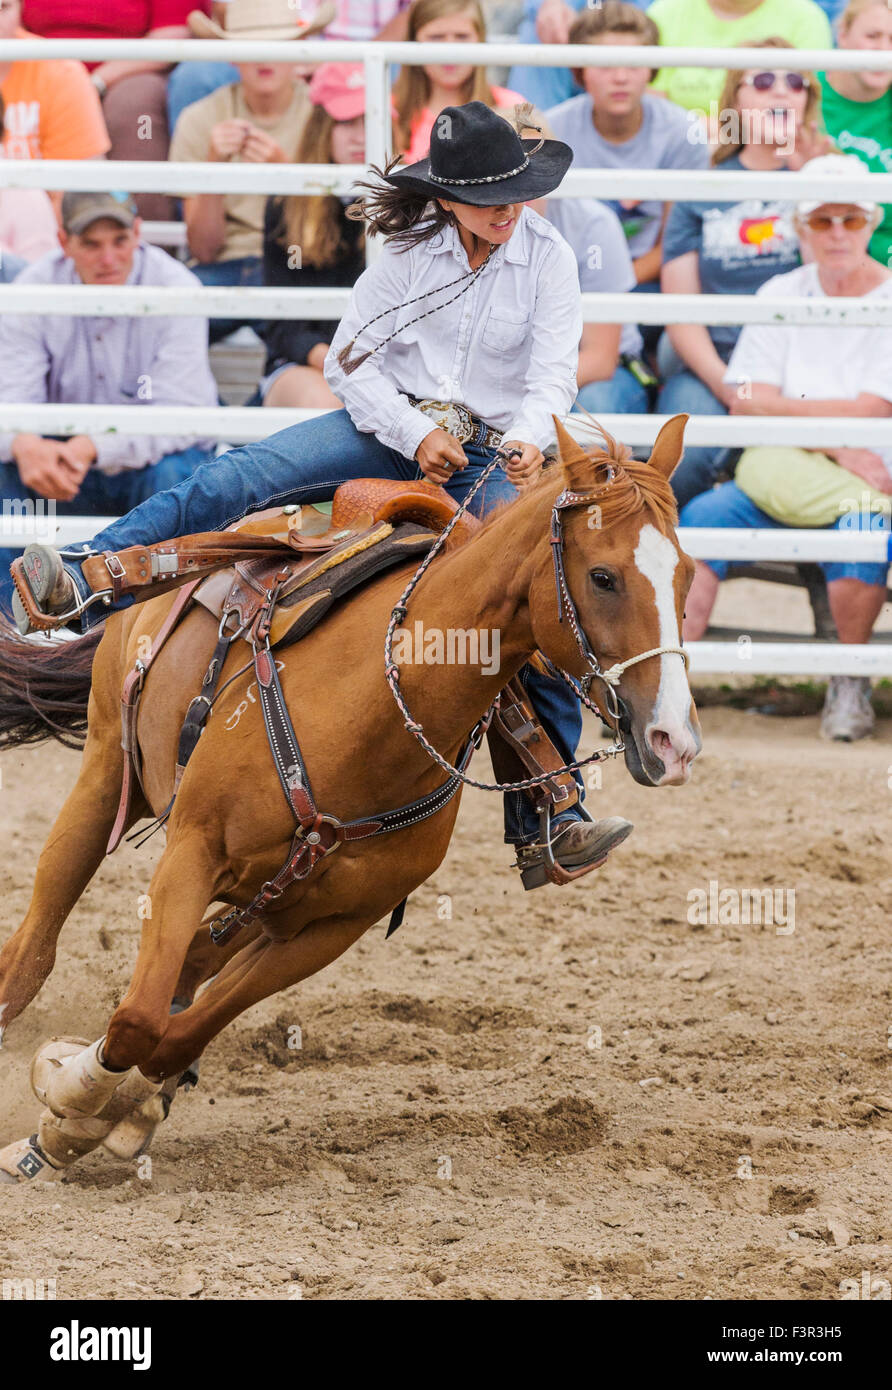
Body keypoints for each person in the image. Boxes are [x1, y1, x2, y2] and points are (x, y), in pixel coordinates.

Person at [11, 102, 634, 888]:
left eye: (513, 193)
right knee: (239, 476)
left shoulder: (547, 256)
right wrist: (414, 436)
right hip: (390, 425)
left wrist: (528, 439)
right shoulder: (406, 252)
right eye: (487, 197)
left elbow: (555, 374)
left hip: (492, 445)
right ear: (447, 198)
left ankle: (550, 815)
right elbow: (351, 364)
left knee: (529, 604)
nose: (506, 211)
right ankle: (86, 572)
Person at [680, 156, 892, 742]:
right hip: (809, 468)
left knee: (864, 533)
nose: (839, 233)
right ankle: (671, 685)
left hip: (846, 473)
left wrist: (796, 417)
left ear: (871, 224)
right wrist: (838, 445)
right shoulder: (781, 290)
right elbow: (745, 397)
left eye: (851, 219)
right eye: (823, 222)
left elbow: (876, 411)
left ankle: (850, 678)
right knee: (699, 525)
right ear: (802, 230)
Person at [0, 191, 218, 607]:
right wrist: (24, 445)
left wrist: (89, 446)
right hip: (62, 467)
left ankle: (150, 625)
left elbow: (183, 411)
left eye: (119, 240)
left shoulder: (175, 287)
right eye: (91, 244)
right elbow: (12, 395)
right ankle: (16, 626)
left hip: (129, 464)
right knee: (8, 475)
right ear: (64, 242)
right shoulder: (34, 287)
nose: (108, 258)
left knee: (178, 475)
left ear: (138, 233)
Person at [657, 40, 827, 507]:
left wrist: (814, 186)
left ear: (807, 102)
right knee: (682, 460)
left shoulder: (826, 184)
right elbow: (681, 310)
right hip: (716, 360)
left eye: (795, 83)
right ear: (735, 100)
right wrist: (729, 385)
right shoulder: (701, 187)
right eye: (764, 81)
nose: (781, 93)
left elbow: (828, 286)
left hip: (803, 365)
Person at [546, 2, 709, 296]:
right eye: (606, 65)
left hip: (648, 282)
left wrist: (611, 284)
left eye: (633, 64)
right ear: (581, 71)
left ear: (651, 71)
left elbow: (674, 243)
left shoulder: (681, 131)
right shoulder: (553, 129)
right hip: (568, 280)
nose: (620, 77)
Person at [169, 14, 315, 341]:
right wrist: (214, 172)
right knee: (162, 332)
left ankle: (266, 392)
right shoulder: (200, 117)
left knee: (316, 342)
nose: (264, 57)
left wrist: (289, 178)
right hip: (224, 266)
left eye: (277, 45)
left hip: (297, 266)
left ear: (299, 51)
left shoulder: (324, 116)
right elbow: (205, 249)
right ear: (233, 54)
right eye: (253, 45)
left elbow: (324, 240)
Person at [20, 0, 205, 223]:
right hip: (40, 73)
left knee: (138, 116)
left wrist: (95, 82)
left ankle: (141, 237)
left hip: (129, 76)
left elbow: (172, 33)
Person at [260, 62, 367, 411]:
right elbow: (281, 323)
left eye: (371, 120)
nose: (362, 136)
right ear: (322, 128)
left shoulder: (413, 205)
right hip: (307, 364)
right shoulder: (289, 204)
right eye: (347, 121)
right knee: (333, 408)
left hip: (385, 370)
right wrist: (338, 363)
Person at [166, 0, 402, 134]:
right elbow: (224, 8)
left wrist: (342, 59)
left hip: (365, 50)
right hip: (260, 39)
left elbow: (418, 9)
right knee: (193, 76)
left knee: (391, 73)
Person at [392, 0, 530, 163]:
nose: (451, 50)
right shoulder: (387, 111)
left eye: (462, 37)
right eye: (436, 37)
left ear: (480, 40)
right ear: (414, 42)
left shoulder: (511, 106)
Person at [648, 0, 832, 114]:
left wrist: (721, 132)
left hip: (770, 151)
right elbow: (652, 108)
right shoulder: (664, 12)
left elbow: (805, 109)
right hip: (680, 150)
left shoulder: (807, 18)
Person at [0, 0, 110, 184]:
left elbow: (83, 190)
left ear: (21, 8)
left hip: (38, 209)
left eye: (2, 7)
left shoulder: (61, 71)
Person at [818, 0, 892, 270]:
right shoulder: (805, 93)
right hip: (822, 253)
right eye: (872, 36)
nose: (883, 50)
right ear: (843, 36)